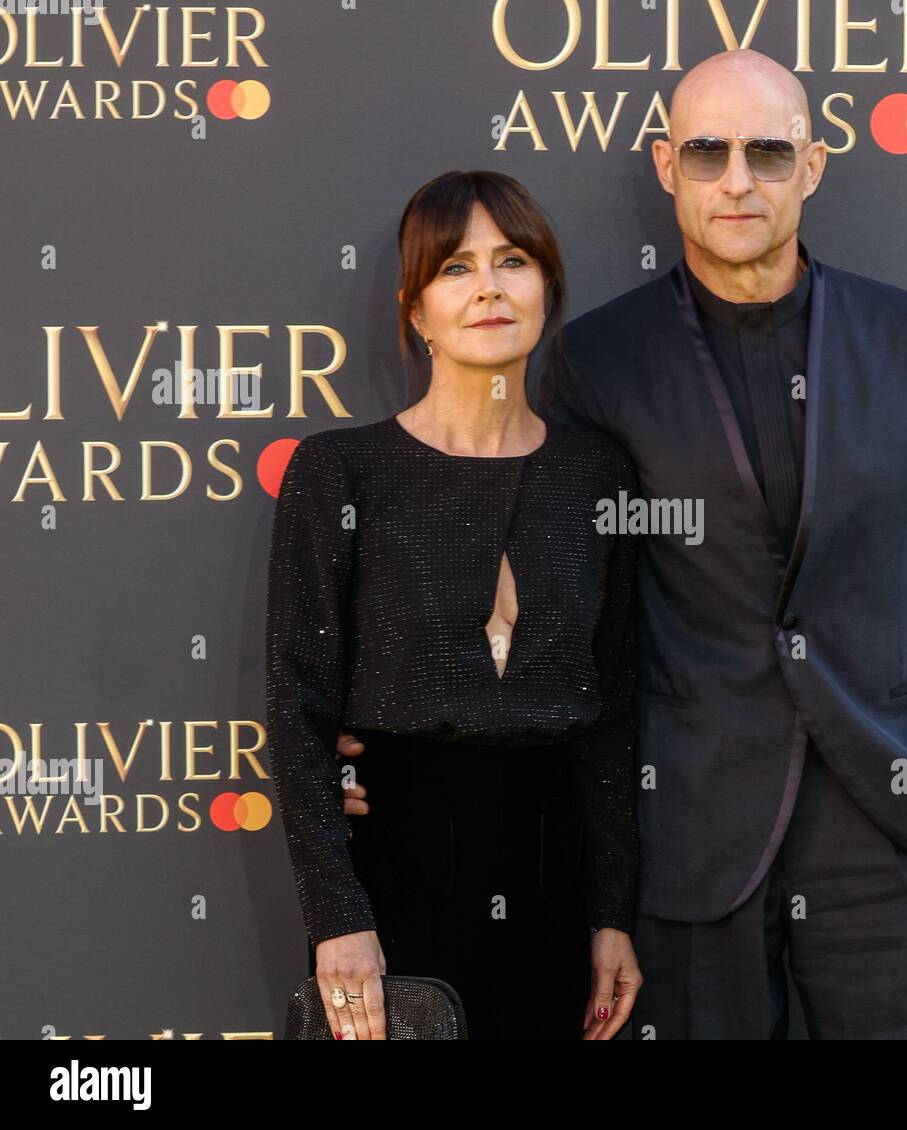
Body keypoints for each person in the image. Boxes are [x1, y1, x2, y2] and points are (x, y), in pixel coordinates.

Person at [345, 47, 907, 1040]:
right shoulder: (597, 358)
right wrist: (389, 747)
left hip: (891, 835)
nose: (736, 179)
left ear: (815, 164)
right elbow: (559, 605)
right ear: (666, 166)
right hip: (692, 841)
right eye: (707, 152)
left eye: (767, 152)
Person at [264, 170, 643, 1041]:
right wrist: (335, 916)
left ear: (547, 285)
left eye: (512, 261)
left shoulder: (599, 478)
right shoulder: (340, 472)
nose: (488, 289)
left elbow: (613, 714)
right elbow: (297, 702)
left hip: (553, 880)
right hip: (392, 878)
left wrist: (612, 912)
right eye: (455, 268)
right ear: (415, 307)